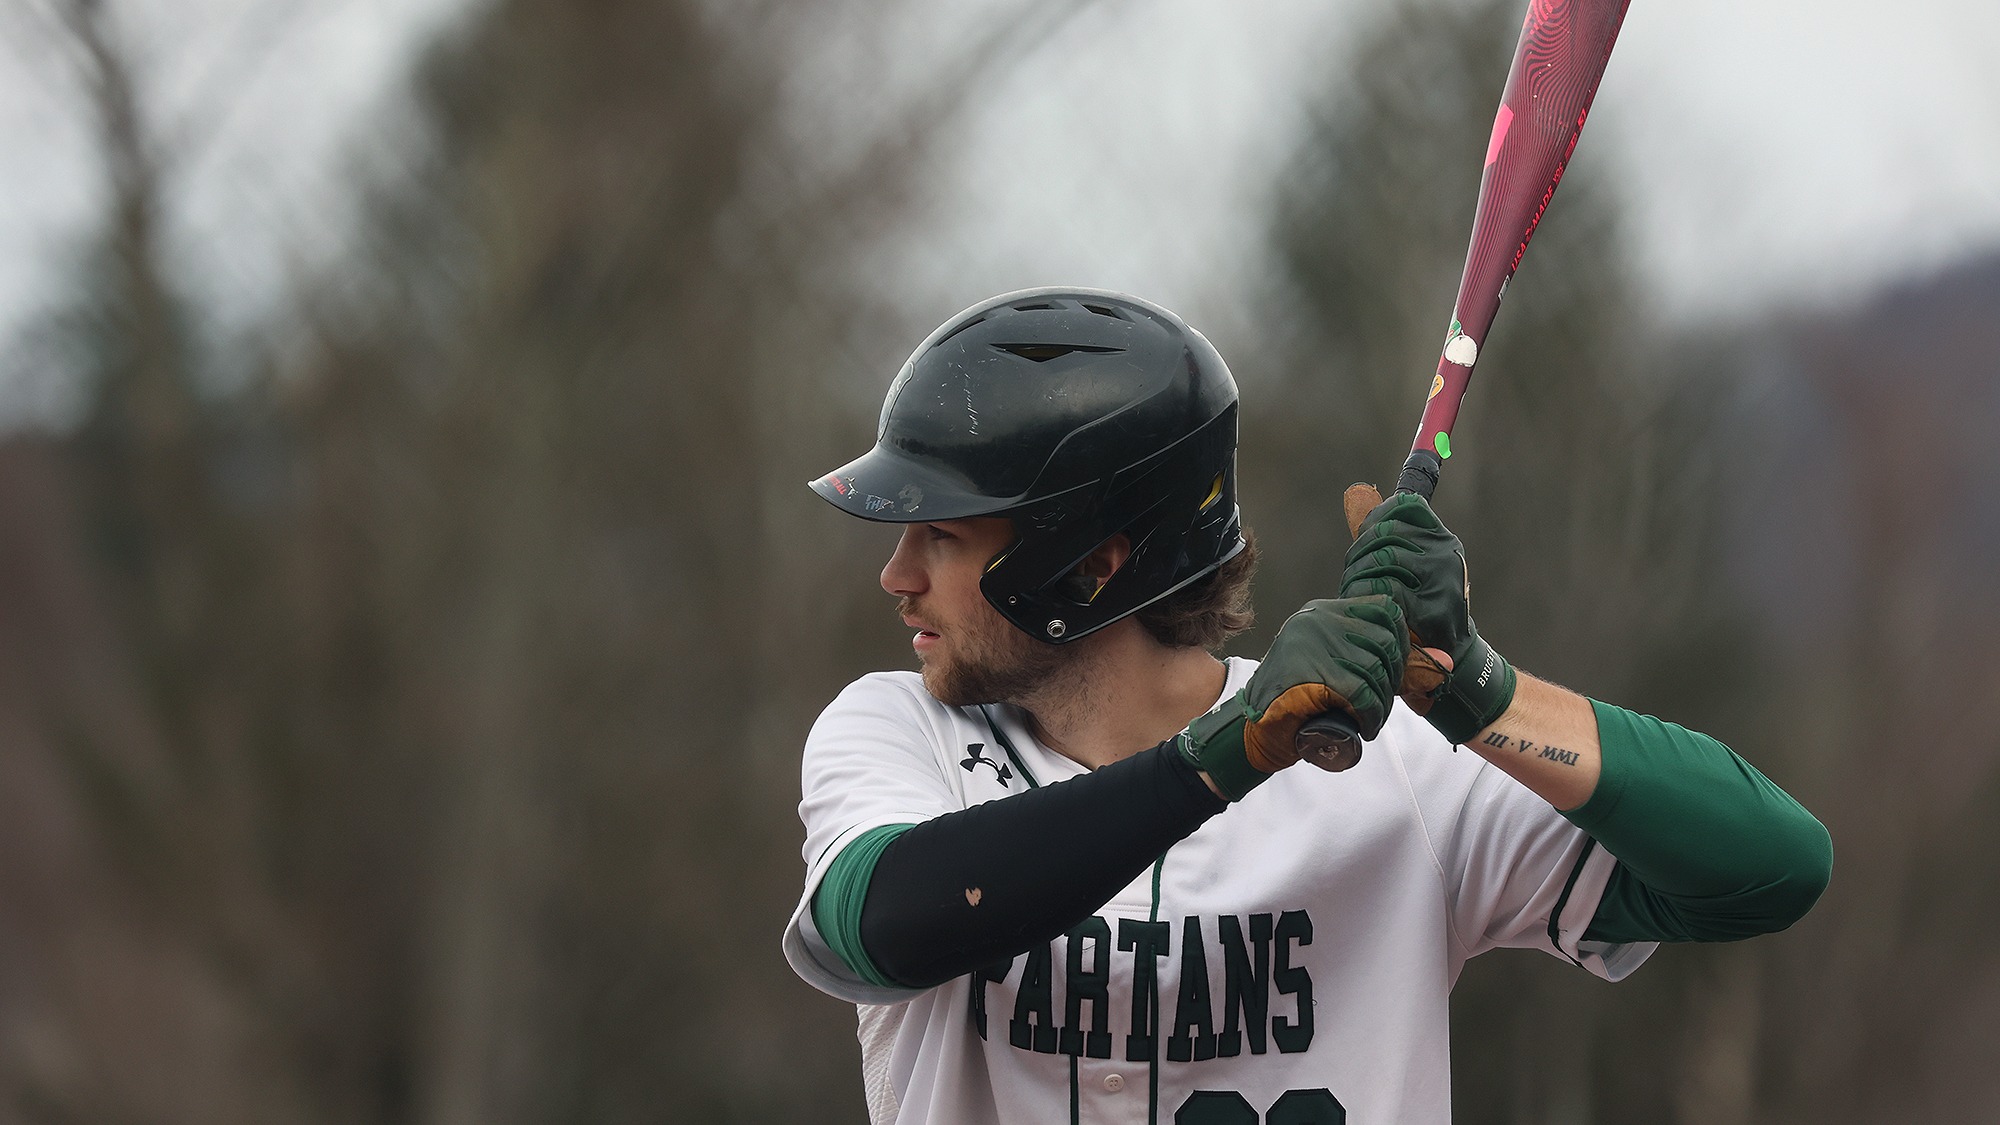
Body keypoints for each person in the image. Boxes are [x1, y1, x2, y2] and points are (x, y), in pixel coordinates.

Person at [781, 288, 1830, 1125]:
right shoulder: (895, 732)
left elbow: (1768, 867)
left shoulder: (1392, 768)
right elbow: (884, 928)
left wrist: (1475, 690)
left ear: (1088, 568)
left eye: (944, 537)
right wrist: (1217, 758)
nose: (896, 575)